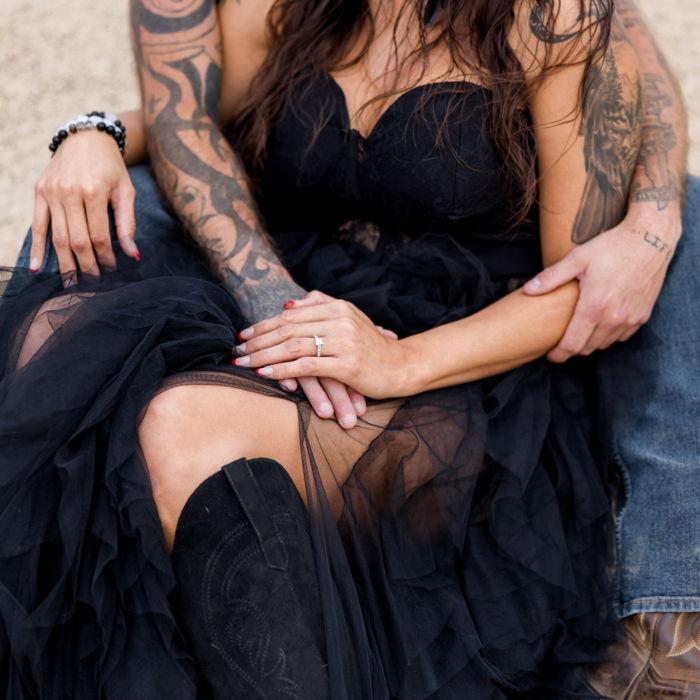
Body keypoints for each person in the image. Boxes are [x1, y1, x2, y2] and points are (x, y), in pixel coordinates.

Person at [1, 0, 696, 698]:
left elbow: (579, 286)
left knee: (179, 429)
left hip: (462, 364)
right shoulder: (276, 8)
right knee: (62, 339)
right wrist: (97, 131)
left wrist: (402, 363)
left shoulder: (555, 21)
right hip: (296, 295)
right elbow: (201, 123)